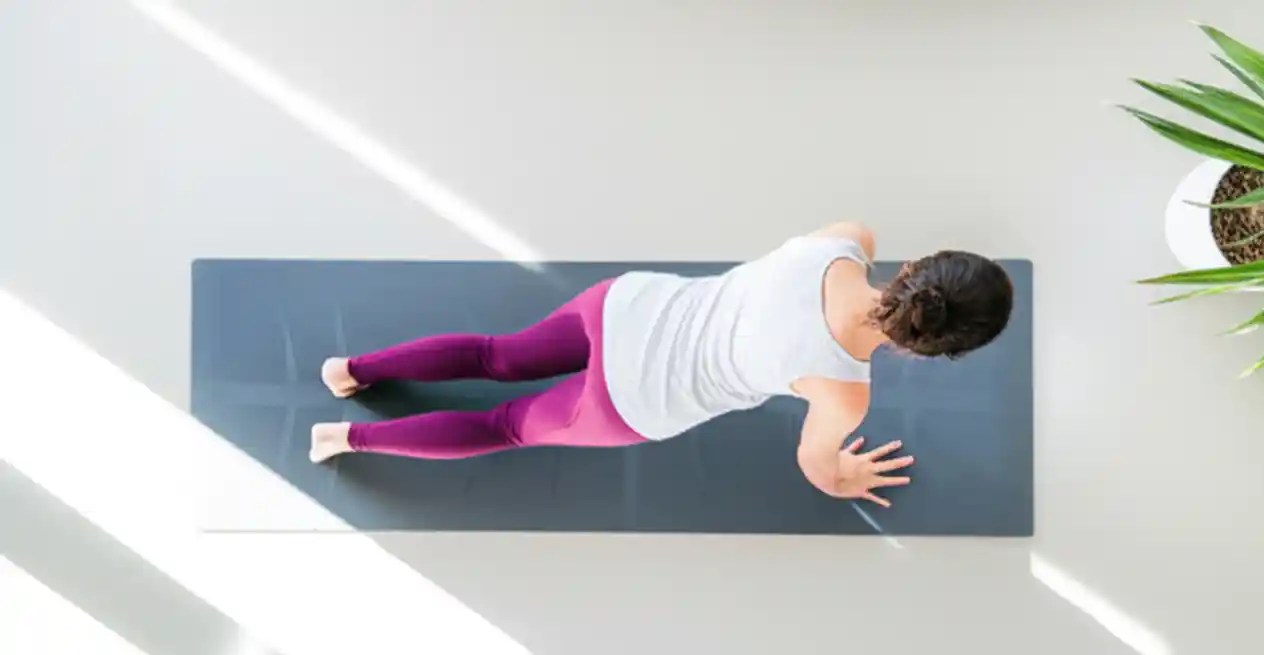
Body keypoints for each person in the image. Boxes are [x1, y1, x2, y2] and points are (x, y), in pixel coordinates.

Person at [309, 221, 1014, 507]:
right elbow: (816, 466)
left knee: (496, 356)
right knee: (504, 427)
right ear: (940, 351)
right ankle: (344, 438)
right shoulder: (843, 393)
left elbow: (838, 250)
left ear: (919, 268)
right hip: (632, 402)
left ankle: (349, 368)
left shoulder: (844, 242)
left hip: (623, 308)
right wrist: (844, 479)